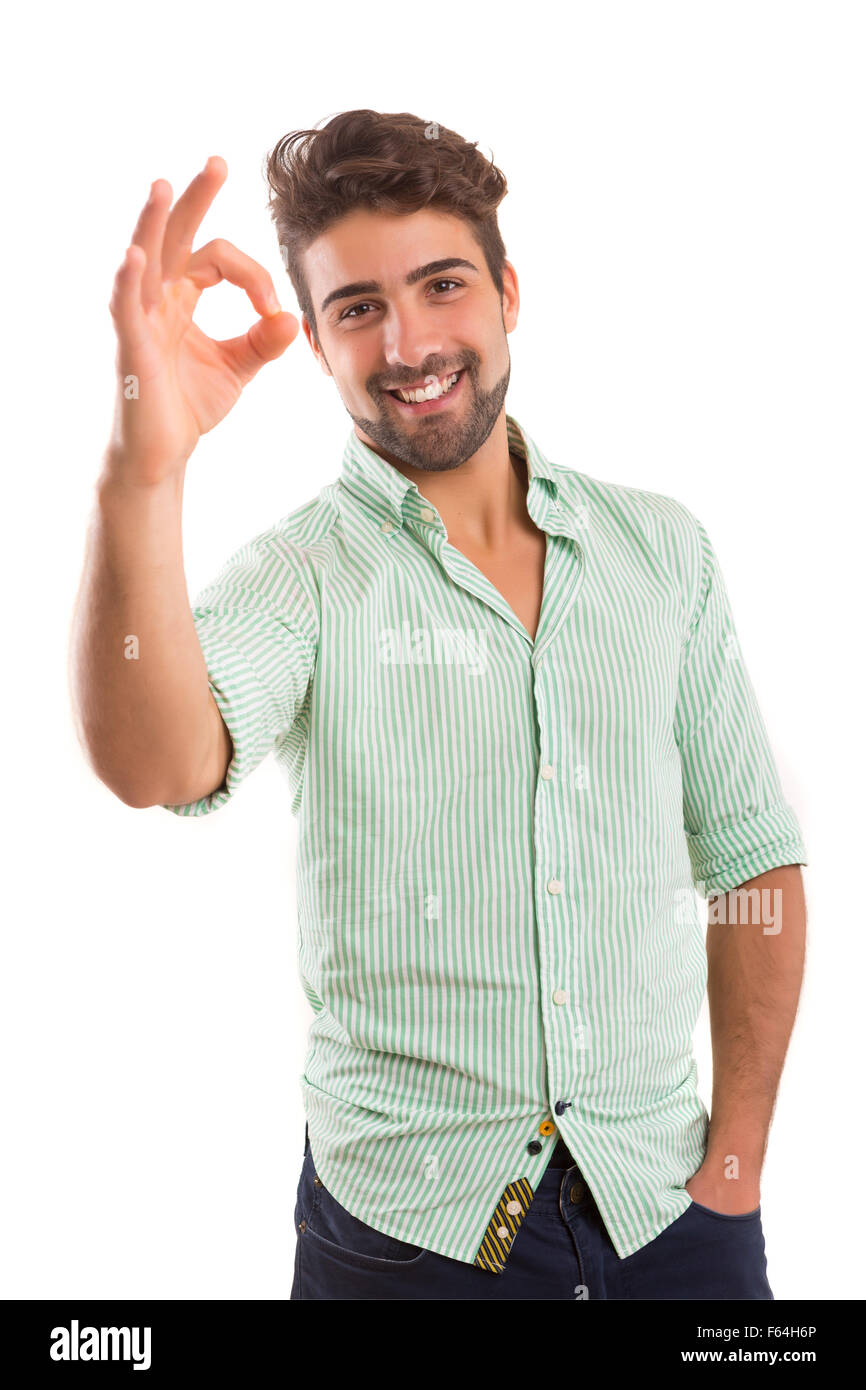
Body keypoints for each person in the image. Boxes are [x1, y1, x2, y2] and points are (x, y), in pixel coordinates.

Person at [69, 110, 808, 1300]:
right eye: (356, 306)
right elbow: (153, 764)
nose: (407, 341)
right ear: (314, 343)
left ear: (508, 293)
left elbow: (751, 860)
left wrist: (735, 1168)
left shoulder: (660, 549)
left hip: (673, 1210)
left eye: (440, 284)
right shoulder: (299, 575)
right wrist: (142, 472)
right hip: (407, 1238)